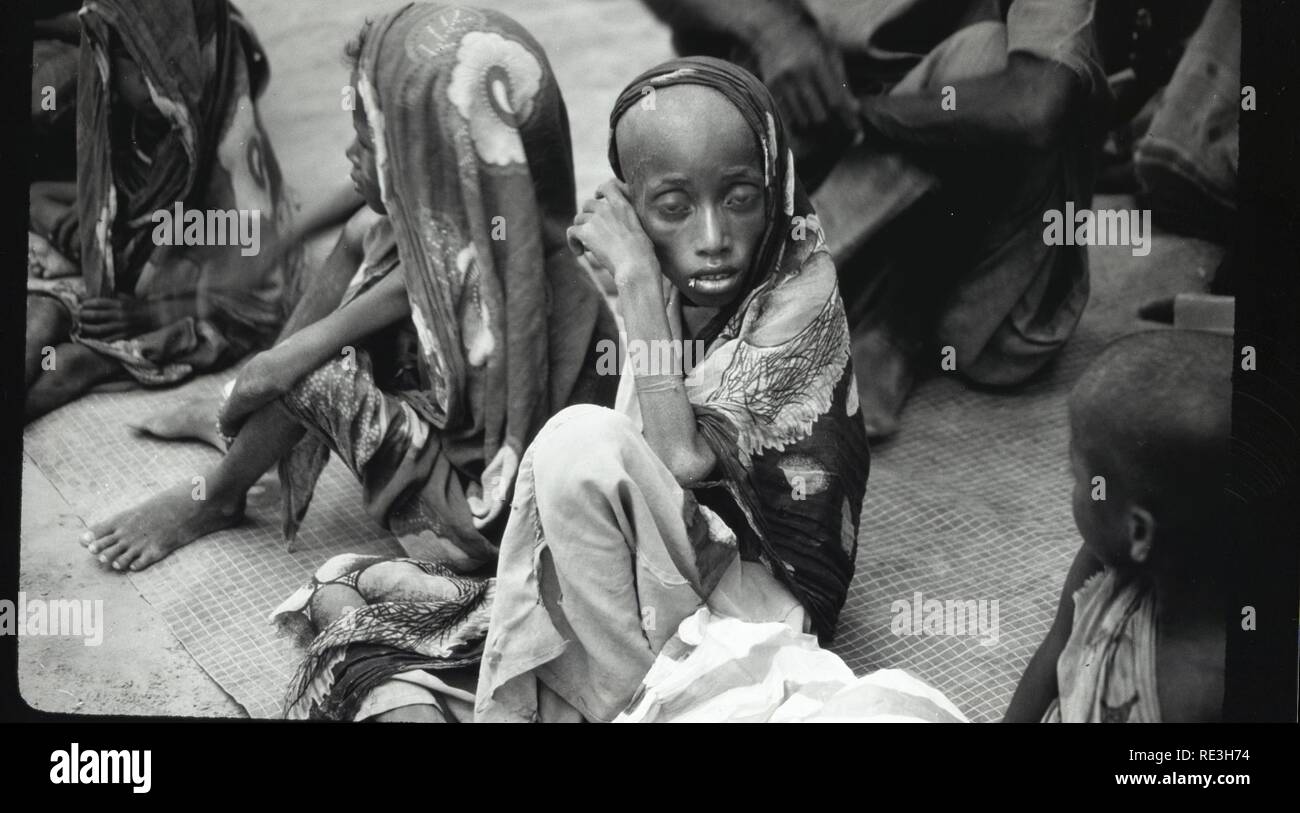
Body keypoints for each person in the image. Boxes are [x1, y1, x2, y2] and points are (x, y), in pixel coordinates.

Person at [80, 3, 616, 580]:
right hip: (467, 415)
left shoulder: (467, 281)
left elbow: (300, 359)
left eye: (370, 145)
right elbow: (383, 197)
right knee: (369, 232)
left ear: (422, 162)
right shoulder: (497, 210)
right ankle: (247, 430)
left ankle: (218, 496)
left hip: (483, 522)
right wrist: (286, 242)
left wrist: (268, 372)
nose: (352, 156)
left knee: (319, 375)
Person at [475, 57, 871, 723]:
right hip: (694, 561)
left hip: (768, 609)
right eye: (672, 207)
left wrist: (634, 274)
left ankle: (630, 694)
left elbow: (681, 463)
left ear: (775, 189)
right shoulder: (674, 279)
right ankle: (631, 677)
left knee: (577, 442)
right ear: (635, 207)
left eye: (741, 197)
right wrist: (638, 274)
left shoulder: (800, 290)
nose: (712, 239)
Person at [642, 0, 1110, 438]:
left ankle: (883, 321)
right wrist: (773, 28)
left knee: (982, 55)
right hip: (808, 150)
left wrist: (859, 118)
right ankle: (791, 310)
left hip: (979, 267)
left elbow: (1032, 103)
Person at [26, 0, 300, 422]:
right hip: (127, 276)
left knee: (68, 366)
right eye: (132, 62)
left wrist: (147, 313)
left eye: (168, 64)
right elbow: (64, 195)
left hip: (189, 303)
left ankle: (101, 359)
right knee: (39, 321)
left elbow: (258, 297)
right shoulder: (119, 114)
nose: (155, 81)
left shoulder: (229, 157)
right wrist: (87, 220)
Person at [1003, 330, 1230, 722]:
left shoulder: (1199, 693)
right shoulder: (1102, 561)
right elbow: (1056, 648)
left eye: (1078, 477)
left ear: (1139, 531)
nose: (1071, 486)